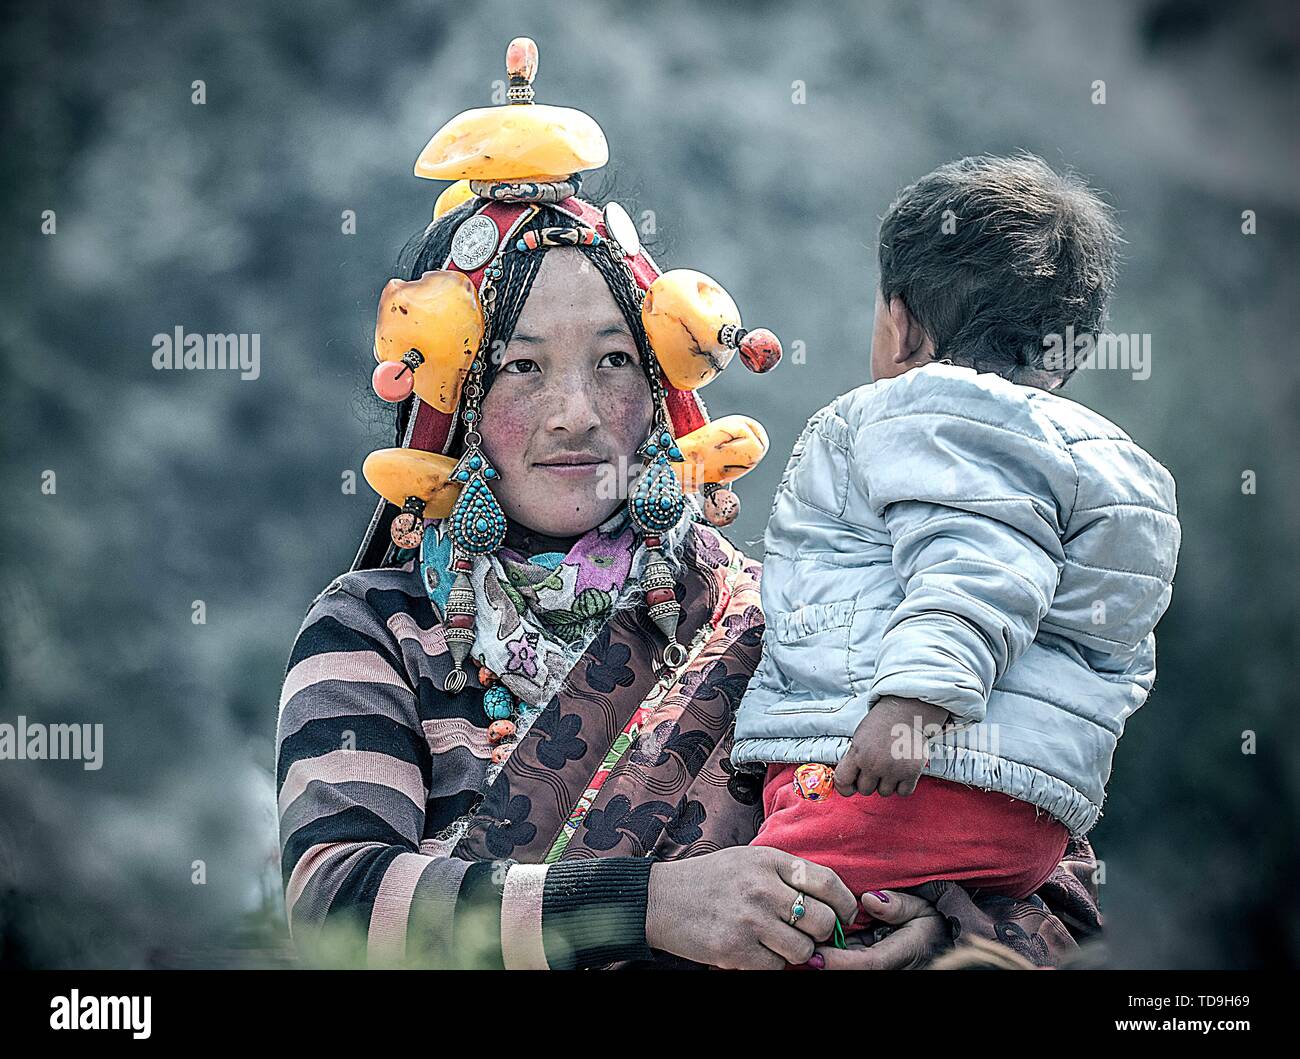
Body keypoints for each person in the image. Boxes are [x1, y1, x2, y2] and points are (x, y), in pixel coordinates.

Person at [275, 40, 1104, 970]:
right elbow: (337, 906)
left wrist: (942, 932)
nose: (576, 414)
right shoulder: (376, 631)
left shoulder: (779, 612)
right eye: (520, 367)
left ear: (665, 384)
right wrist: (643, 905)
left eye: (614, 360)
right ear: (454, 393)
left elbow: (1047, 855)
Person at [731, 154, 1182, 923]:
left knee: (757, 913)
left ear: (901, 325)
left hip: (904, 784)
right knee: (851, 920)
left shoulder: (935, 417)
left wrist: (912, 705)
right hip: (1029, 818)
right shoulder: (1112, 468)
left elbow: (982, 565)